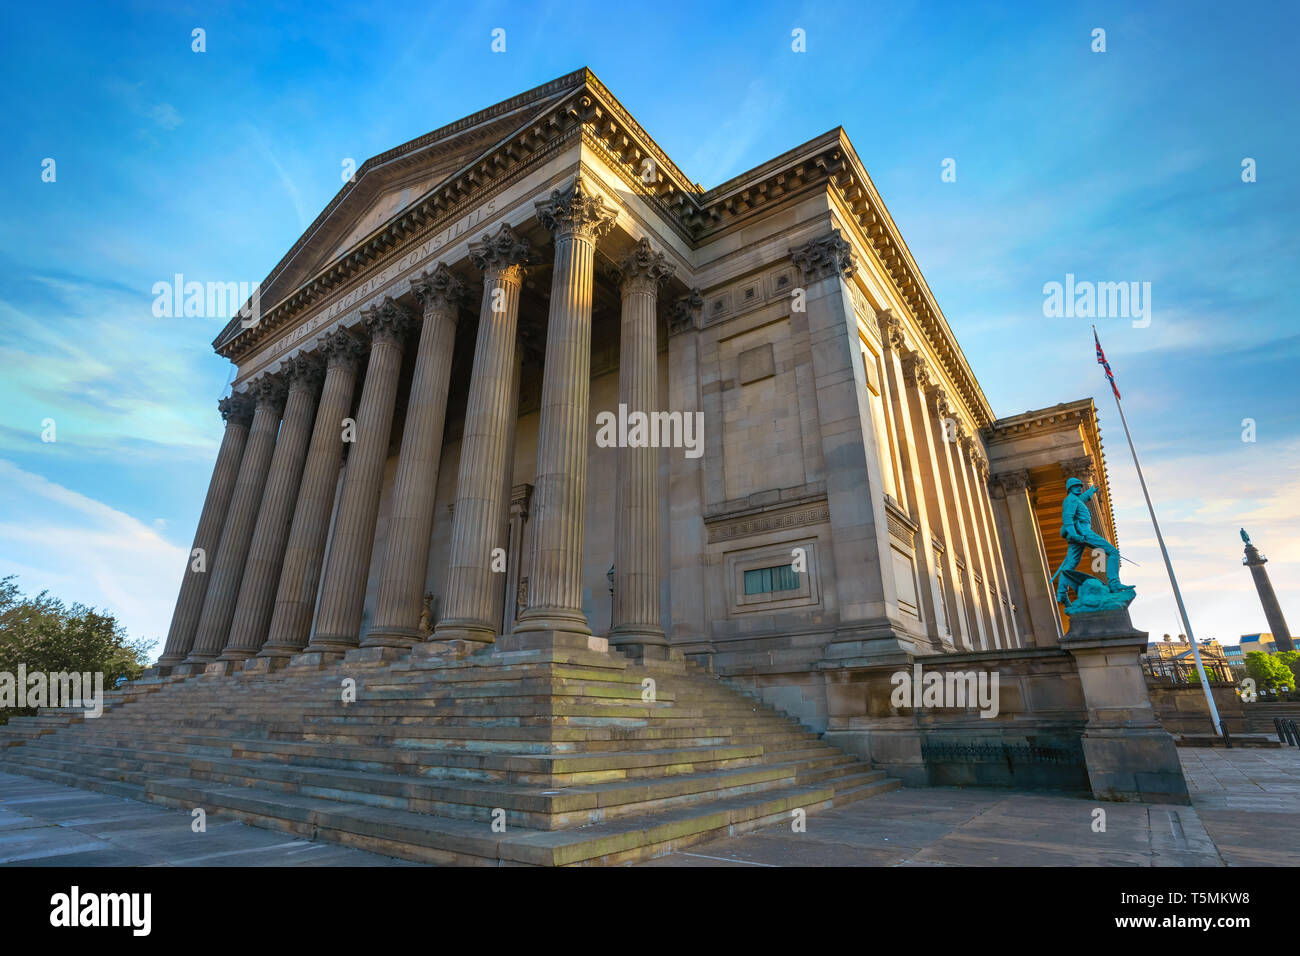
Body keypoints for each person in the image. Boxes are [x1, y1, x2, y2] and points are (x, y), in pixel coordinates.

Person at [1054, 477, 1125, 602]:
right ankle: (1114, 583)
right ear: (1070, 488)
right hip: (1083, 532)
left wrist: (1090, 492)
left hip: (1078, 533)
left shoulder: (1075, 499)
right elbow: (1068, 519)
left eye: (1080, 486)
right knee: (1113, 552)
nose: (1080, 488)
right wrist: (1075, 535)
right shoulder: (1070, 500)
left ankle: (1061, 593)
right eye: (1076, 486)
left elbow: (1082, 499)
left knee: (1070, 564)